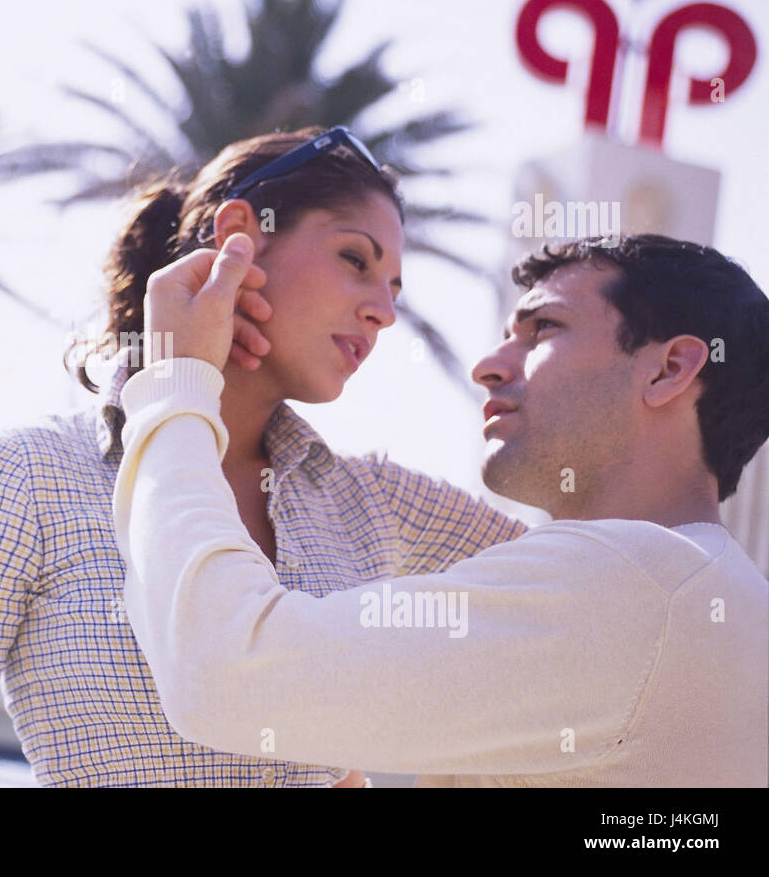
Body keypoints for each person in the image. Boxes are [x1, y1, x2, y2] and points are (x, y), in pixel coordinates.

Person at [0, 125, 526, 787]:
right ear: (242, 232)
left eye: (394, 289)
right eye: (356, 260)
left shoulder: (373, 502)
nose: (383, 312)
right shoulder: (17, 481)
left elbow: (595, 592)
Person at [112, 232, 769, 786]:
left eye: (544, 327)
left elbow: (224, 670)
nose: (487, 365)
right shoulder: (724, 605)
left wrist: (174, 390)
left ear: (671, 369)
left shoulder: (632, 581)